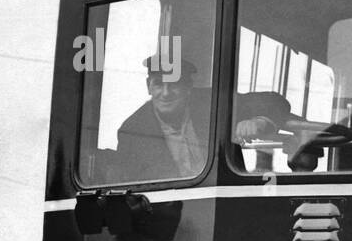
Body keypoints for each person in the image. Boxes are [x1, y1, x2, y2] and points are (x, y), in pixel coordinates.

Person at [113, 55, 290, 181]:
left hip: (223, 200)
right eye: (158, 84)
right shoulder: (132, 131)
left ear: (188, 88)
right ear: (148, 87)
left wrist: (260, 122)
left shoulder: (211, 103)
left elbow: (276, 101)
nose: (165, 93)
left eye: (174, 84)